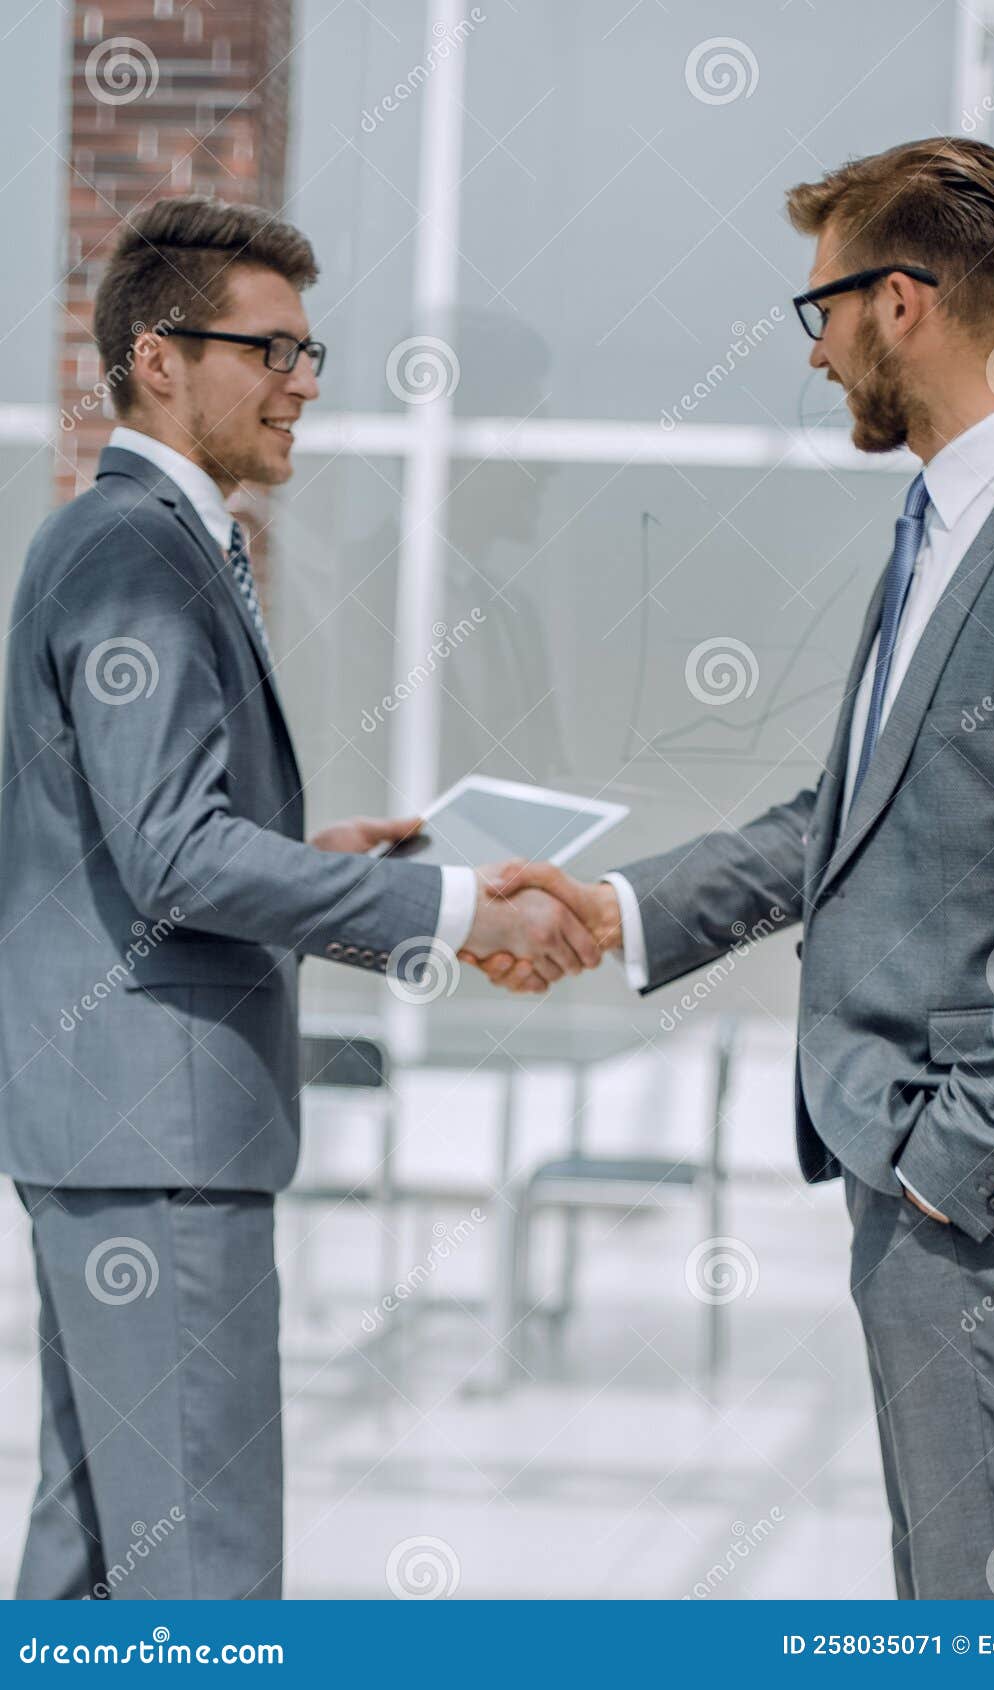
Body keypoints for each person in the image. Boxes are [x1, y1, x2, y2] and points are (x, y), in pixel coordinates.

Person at [472, 137, 994, 1600]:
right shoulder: (941, 531)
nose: (818, 351)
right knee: (949, 1603)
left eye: (821, 310)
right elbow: (839, 820)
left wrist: (953, 1167)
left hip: (985, 1199)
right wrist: (619, 907)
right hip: (923, 1183)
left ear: (899, 302)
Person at [0, 196, 601, 1599]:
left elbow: (139, 839)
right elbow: (173, 857)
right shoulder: (135, 550)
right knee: (201, 1575)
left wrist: (323, 852)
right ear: (160, 357)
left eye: (310, 350)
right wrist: (454, 908)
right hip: (160, 1132)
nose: (306, 383)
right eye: (271, 351)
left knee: (92, 1558)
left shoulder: (147, 541)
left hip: (131, 1125)